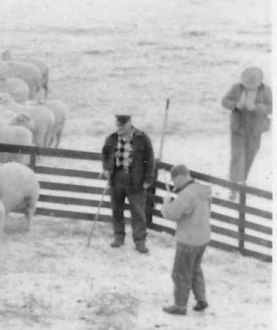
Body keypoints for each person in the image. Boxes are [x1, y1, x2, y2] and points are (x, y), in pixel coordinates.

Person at [159, 164, 211, 315]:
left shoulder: (187, 194)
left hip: (188, 240)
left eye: (174, 180)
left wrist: (166, 202)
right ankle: (201, 299)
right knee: (194, 269)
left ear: (181, 177)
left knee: (180, 272)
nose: (174, 184)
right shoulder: (201, 189)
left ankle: (180, 306)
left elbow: (171, 214)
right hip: (203, 237)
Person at [101, 114, 155, 253]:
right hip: (117, 177)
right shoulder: (112, 138)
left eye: (122, 125)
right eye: (118, 125)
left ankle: (140, 241)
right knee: (116, 209)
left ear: (129, 124)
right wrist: (107, 168)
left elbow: (149, 160)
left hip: (136, 180)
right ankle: (119, 237)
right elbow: (105, 154)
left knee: (138, 212)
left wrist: (148, 179)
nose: (119, 128)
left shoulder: (142, 139)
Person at [220, 66, 272, 198]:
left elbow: (271, 107)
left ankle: (242, 182)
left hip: (255, 130)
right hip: (238, 128)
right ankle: (233, 187)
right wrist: (236, 104)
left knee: (249, 157)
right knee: (237, 157)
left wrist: (255, 107)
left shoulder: (266, 91)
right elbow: (225, 101)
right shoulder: (237, 88)